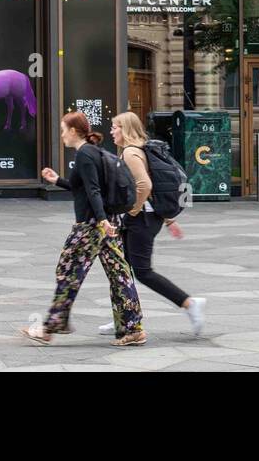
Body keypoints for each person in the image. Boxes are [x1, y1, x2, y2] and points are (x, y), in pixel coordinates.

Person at [22, 111, 144, 346]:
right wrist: (57, 180)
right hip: (108, 223)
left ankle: (52, 326)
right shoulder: (92, 151)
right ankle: (133, 329)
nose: (62, 135)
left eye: (63, 130)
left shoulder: (85, 154)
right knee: (120, 275)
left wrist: (100, 220)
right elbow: (83, 189)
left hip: (91, 226)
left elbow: (93, 191)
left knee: (67, 271)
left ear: (74, 131)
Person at [96, 112, 206, 337]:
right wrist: (168, 219)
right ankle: (124, 318)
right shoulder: (140, 148)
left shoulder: (130, 152)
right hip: (147, 217)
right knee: (122, 271)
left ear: (125, 129)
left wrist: (132, 211)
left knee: (142, 271)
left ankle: (189, 303)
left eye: (115, 127)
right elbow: (155, 186)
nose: (111, 131)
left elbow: (145, 185)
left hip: (141, 220)